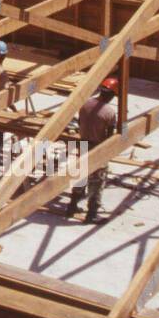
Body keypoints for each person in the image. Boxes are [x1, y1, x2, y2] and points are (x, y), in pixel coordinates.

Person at [66, 77, 120, 223]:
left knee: (80, 176)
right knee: (97, 182)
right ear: (111, 95)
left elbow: (80, 122)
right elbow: (109, 136)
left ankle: (71, 206)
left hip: (83, 144)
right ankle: (92, 214)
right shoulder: (109, 112)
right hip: (97, 147)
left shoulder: (85, 104)